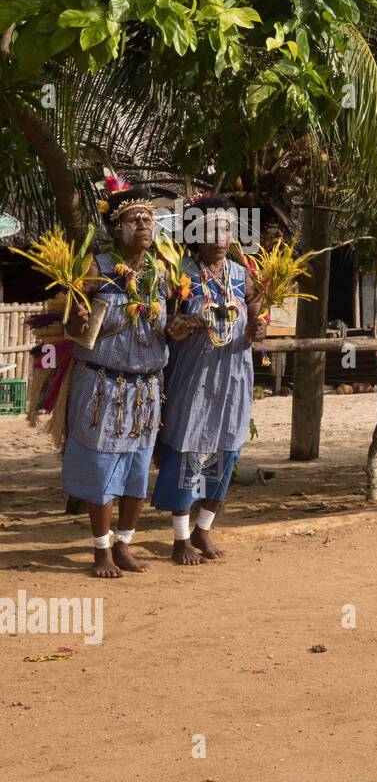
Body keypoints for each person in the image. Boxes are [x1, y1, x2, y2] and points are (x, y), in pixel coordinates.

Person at [62, 176, 183, 578]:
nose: (145, 225)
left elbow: (164, 328)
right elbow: (71, 324)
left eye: (149, 219)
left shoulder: (162, 274)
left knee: (138, 468)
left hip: (147, 386)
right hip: (102, 385)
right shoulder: (96, 268)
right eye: (135, 219)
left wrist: (178, 329)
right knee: (102, 468)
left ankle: (125, 545)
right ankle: (101, 551)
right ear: (116, 229)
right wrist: (75, 318)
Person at [150, 194, 266, 565]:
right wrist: (192, 323)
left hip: (234, 376)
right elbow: (166, 326)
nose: (220, 236)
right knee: (188, 448)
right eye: (212, 228)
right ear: (196, 233)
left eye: (226, 228)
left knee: (225, 449)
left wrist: (257, 331)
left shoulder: (242, 274)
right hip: (193, 376)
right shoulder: (178, 273)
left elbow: (255, 324)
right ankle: (180, 537)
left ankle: (204, 527)